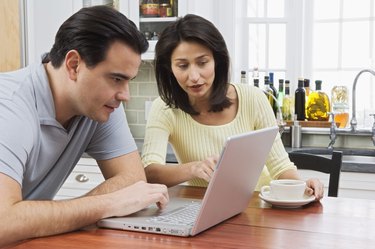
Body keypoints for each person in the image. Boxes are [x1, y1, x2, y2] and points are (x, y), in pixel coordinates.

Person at [0, 6, 169, 247]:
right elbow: (4, 222)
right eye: (116, 78)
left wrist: (43, 217)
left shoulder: (99, 105)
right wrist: (107, 204)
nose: (125, 95)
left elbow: (133, 180)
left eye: (128, 81)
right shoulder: (9, 107)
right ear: (74, 65)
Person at [141, 14, 324, 199]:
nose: (194, 76)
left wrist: (302, 188)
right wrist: (193, 168)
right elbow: (149, 172)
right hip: (202, 208)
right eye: (182, 66)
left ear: (217, 61)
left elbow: (280, 166)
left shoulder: (253, 98)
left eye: (202, 63)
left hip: (259, 206)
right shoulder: (164, 109)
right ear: (169, 69)